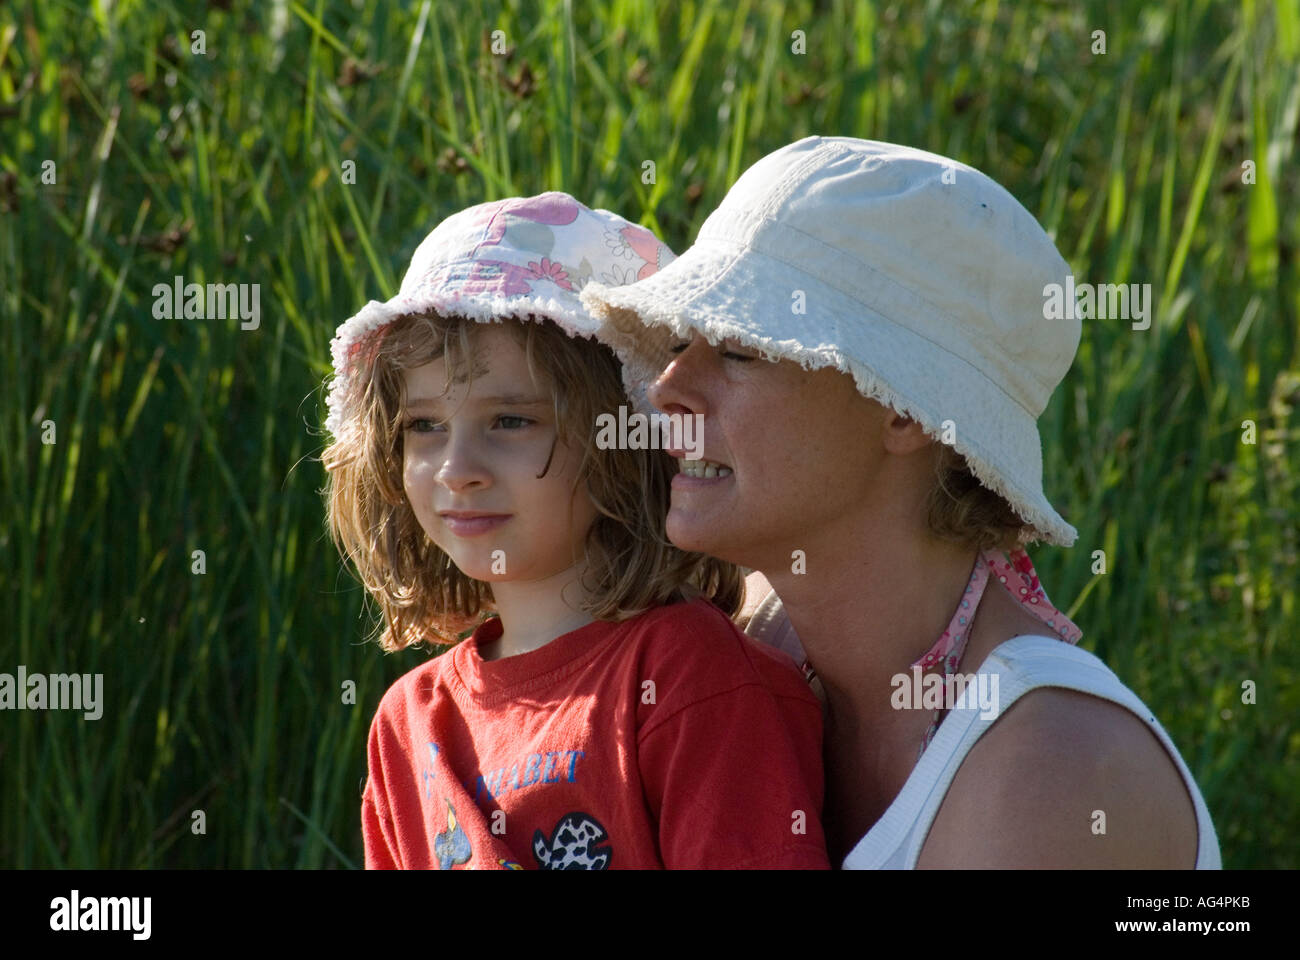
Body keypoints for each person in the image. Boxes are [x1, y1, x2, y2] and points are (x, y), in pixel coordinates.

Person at [582, 137, 1222, 869]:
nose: (667, 386)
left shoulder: (1056, 771)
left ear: (906, 411)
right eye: (679, 339)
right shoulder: (731, 635)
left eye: (738, 348)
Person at [321, 191, 828, 869]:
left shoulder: (689, 677)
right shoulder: (407, 723)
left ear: (626, 439)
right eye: (424, 426)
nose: (456, 469)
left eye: (510, 421)